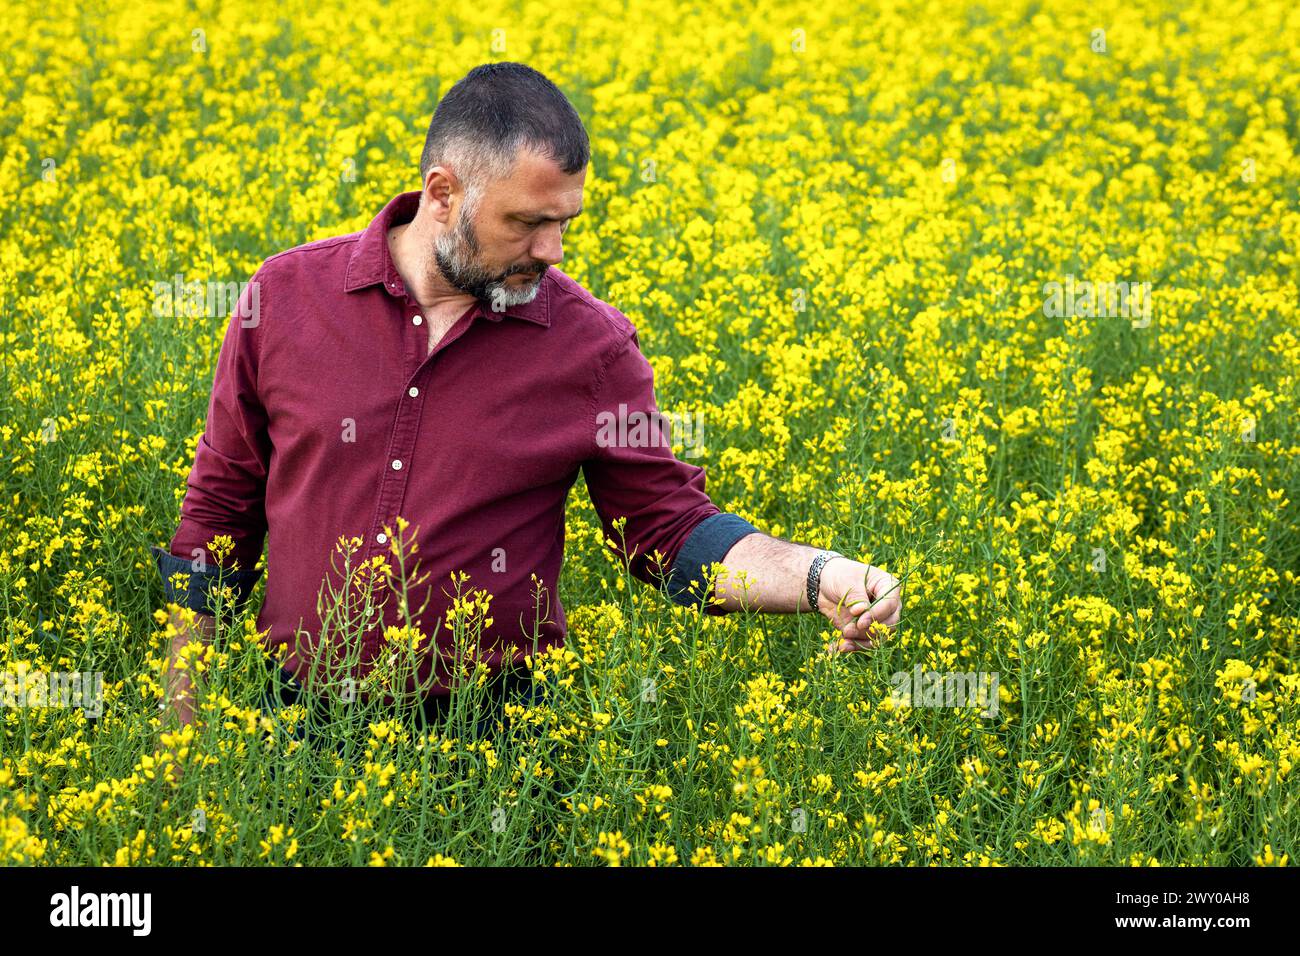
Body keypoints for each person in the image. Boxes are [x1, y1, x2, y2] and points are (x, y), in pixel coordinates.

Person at [152, 61, 903, 749]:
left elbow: (671, 532)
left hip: (494, 739)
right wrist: (177, 746)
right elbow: (218, 518)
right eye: (526, 224)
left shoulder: (592, 348)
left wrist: (818, 575)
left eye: (564, 222)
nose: (553, 251)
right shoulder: (285, 298)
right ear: (443, 194)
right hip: (293, 726)